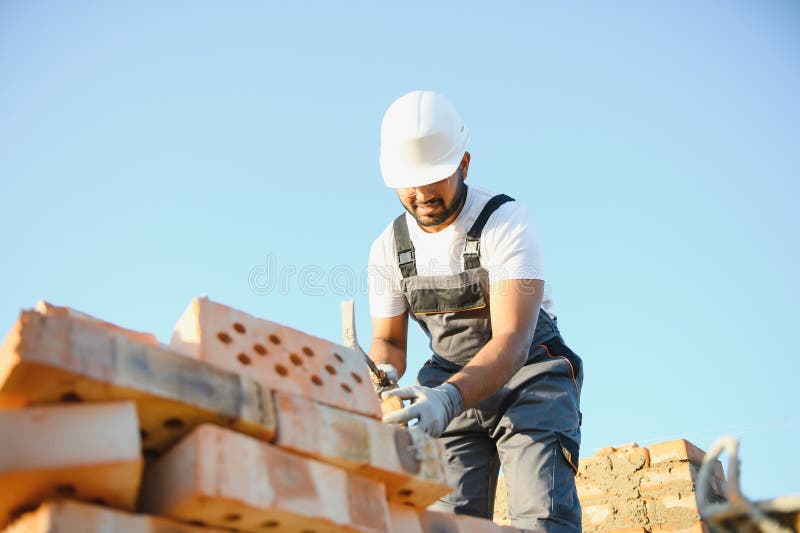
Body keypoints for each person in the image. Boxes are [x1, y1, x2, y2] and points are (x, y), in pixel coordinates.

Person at [366, 90, 584, 532]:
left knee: (540, 520)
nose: (422, 193)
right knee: (444, 524)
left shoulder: (506, 223)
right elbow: (389, 343)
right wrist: (373, 380)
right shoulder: (388, 249)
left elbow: (512, 342)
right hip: (444, 392)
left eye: (435, 177)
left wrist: (448, 398)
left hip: (529, 384)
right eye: (409, 181)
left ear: (463, 165)